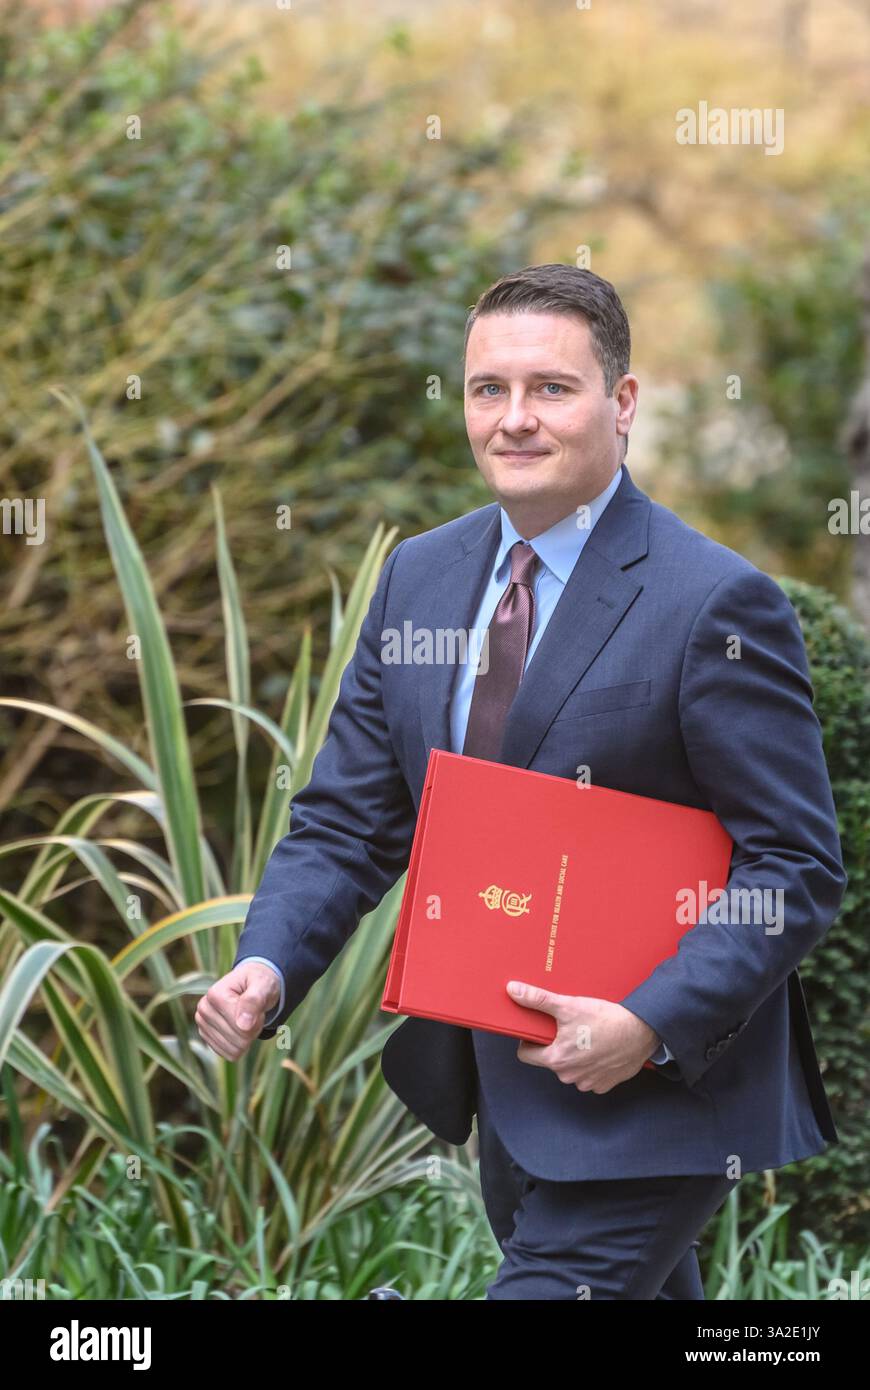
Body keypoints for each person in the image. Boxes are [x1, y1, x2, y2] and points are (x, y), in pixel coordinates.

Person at [194, 263, 846, 1300]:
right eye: (487, 389)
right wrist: (268, 967)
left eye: (551, 387)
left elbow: (797, 865)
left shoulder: (717, 601)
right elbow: (349, 822)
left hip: (659, 1099)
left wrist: (647, 1022)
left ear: (622, 404)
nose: (513, 419)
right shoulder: (420, 577)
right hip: (504, 1086)